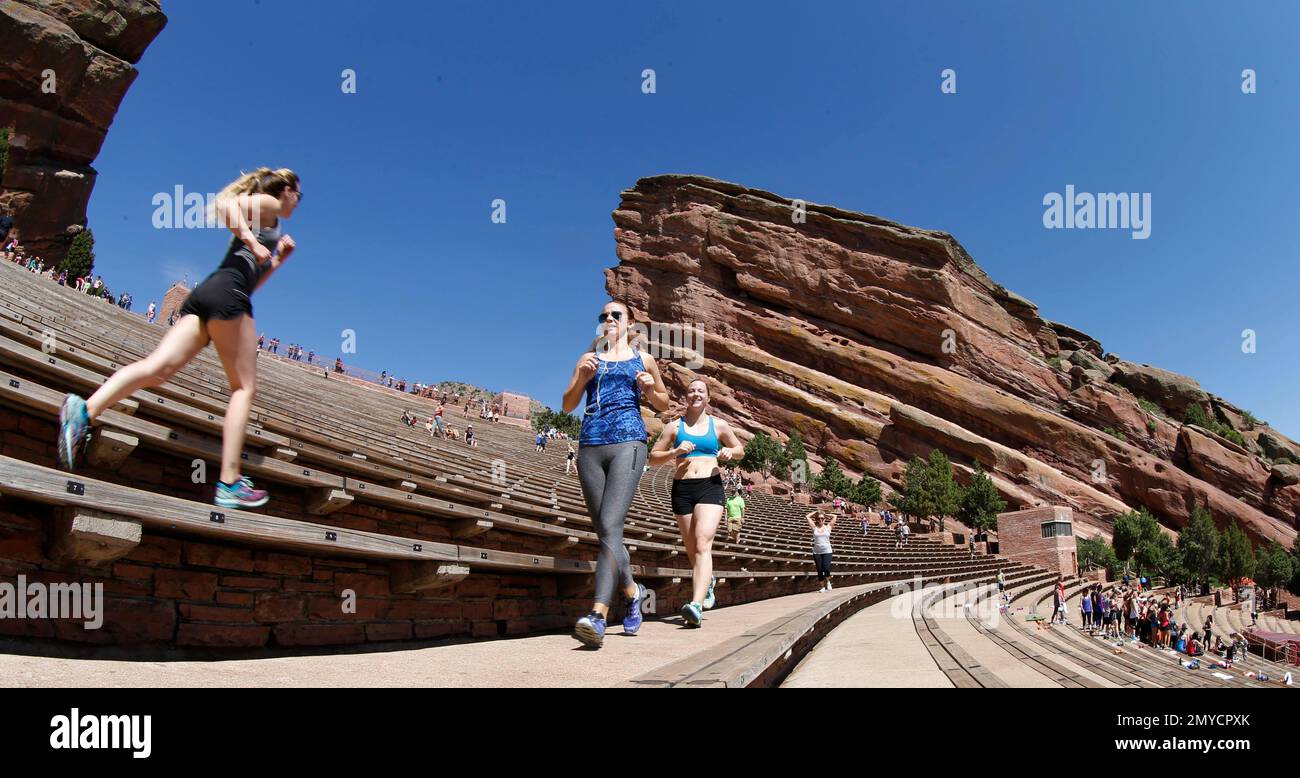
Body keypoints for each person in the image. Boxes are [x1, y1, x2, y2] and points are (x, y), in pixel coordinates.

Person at [57, 168, 301, 509]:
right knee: (244, 389)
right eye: (298, 195)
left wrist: (276, 260)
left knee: (158, 368)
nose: (297, 203)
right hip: (228, 295)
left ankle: (84, 409)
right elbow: (230, 205)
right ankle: (230, 481)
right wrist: (249, 240)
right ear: (286, 189)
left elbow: (251, 278)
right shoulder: (269, 204)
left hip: (213, 292)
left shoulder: (271, 225)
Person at [562, 300, 669, 648]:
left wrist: (650, 387)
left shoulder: (644, 359)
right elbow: (567, 403)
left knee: (610, 525)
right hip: (591, 444)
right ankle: (632, 592)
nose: (608, 319)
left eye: (615, 315)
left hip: (629, 441)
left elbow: (663, 403)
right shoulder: (589, 357)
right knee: (606, 531)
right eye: (603, 316)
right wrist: (581, 376)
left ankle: (598, 615)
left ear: (630, 323)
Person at [648, 378, 745, 627]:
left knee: (702, 543)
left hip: (709, 487)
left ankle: (696, 605)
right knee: (692, 550)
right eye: (691, 390)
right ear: (686, 397)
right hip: (682, 488)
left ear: (708, 398)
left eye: (700, 391)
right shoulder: (673, 427)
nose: (695, 394)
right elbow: (654, 458)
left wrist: (728, 453)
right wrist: (674, 452)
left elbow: (739, 450)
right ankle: (708, 582)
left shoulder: (719, 425)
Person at [807, 511, 836, 592]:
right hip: (817, 552)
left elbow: (834, 516)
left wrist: (826, 514)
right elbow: (807, 517)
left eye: (822, 518)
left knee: (826, 568)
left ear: (824, 519)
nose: (820, 519)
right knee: (819, 570)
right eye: (819, 518)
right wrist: (816, 512)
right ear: (816, 519)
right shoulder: (814, 528)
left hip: (827, 551)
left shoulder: (828, 527)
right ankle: (822, 587)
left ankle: (828, 581)